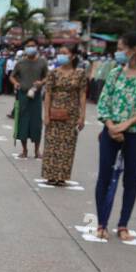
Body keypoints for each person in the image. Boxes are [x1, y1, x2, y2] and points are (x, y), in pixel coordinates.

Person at [93, 32, 136, 241]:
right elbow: (103, 103)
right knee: (104, 177)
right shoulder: (114, 74)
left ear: (134, 50)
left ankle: (123, 224)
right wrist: (111, 126)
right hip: (110, 133)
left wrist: (128, 124)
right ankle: (101, 222)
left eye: (122, 48)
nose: (118, 52)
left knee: (130, 180)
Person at [40, 46, 87, 185]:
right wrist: (46, 114)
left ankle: (62, 177)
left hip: (71, 114)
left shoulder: (80, 73)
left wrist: (82, 116)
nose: (61, 56)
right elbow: (48, 94)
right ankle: (50, 175)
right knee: (52, 145)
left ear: (72, 56)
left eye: (65, 53)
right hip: (54, 113)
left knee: (67, 146)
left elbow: (82, 95)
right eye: (60, 53)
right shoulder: (53, 73)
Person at [10, 37, 48, 158]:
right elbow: (12, 76)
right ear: (25, 48)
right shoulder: (20, 62)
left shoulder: (42, 62)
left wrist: (41, 83)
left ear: (37, 48)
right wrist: (15, 83)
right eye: (28, 46)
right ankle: (24, 150)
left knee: (36, 123)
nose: (30, 48)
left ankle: (37, 151)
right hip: (23, 95)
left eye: (33, 46)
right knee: (23, 122)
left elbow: (47, 77)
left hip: (36, 97)